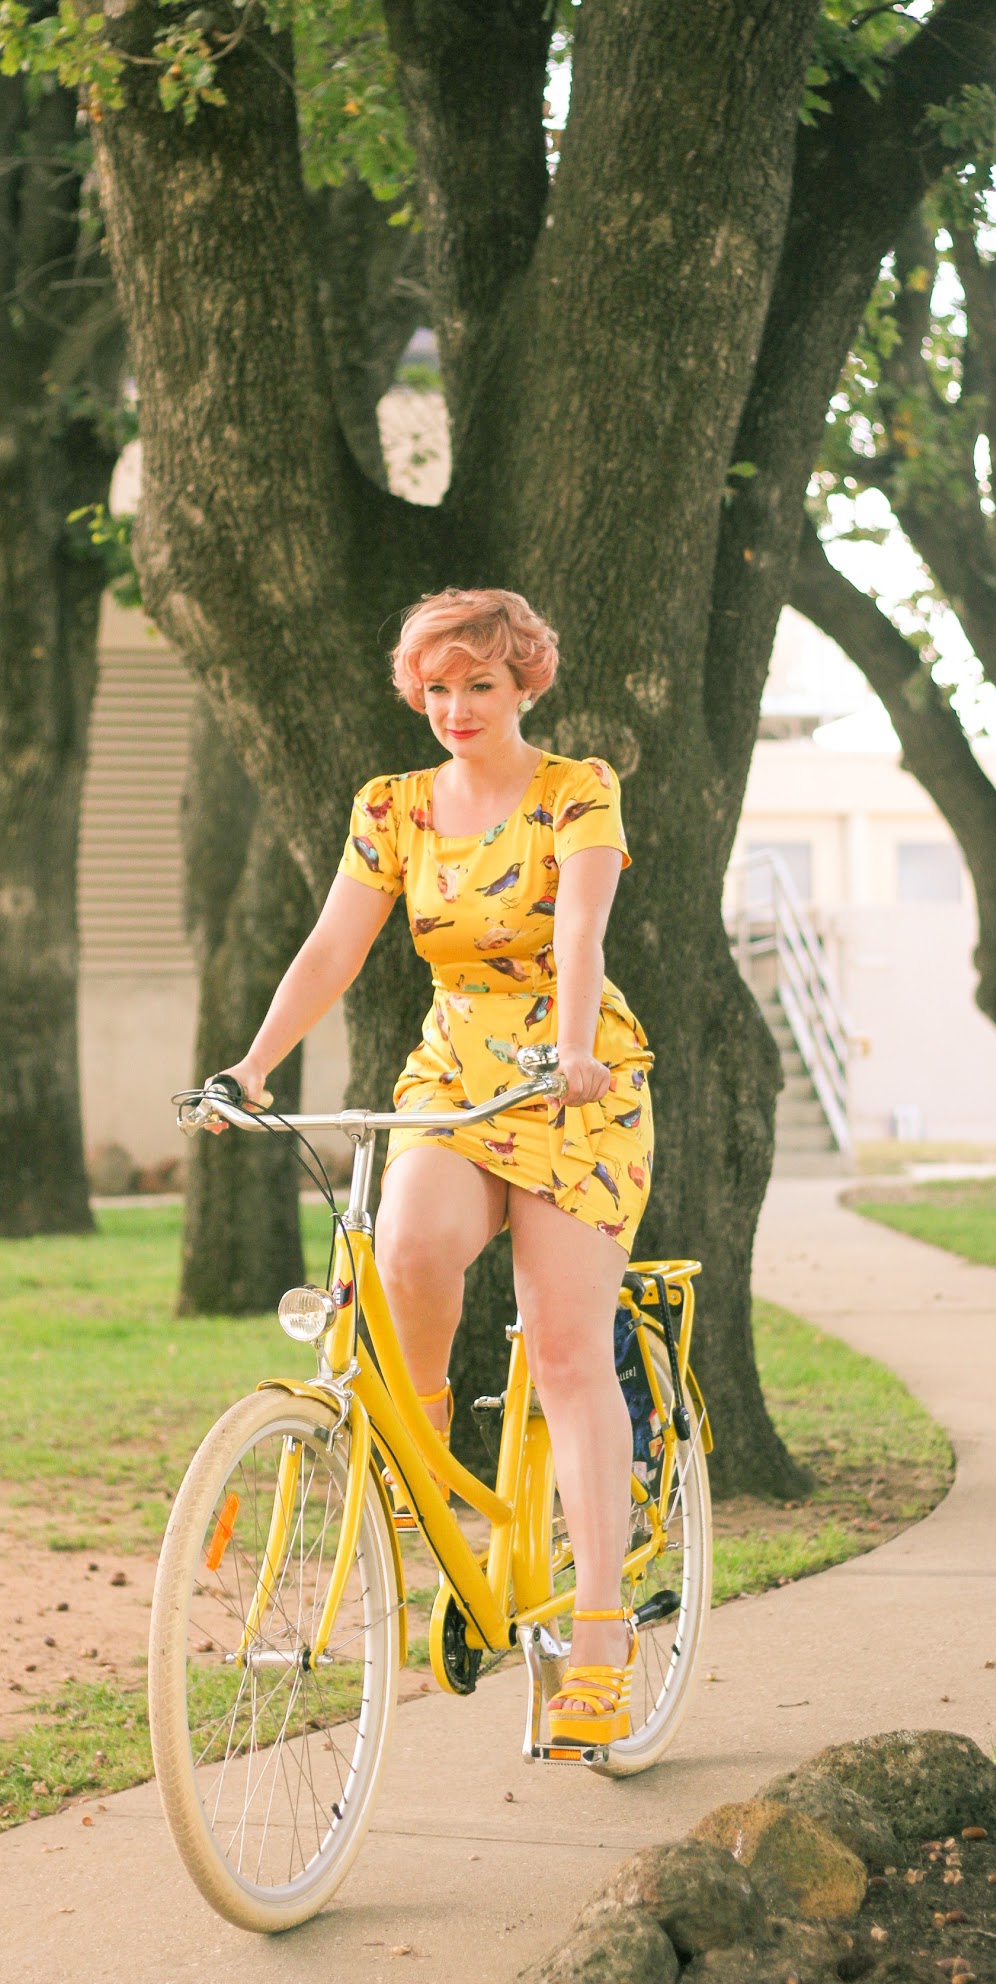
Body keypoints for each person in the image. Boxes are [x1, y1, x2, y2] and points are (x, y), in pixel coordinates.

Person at [215, 586, 656, 1748]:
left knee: (565, 1352)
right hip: (453, 1071)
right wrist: (255, 1066)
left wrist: (568, 1045)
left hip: (575, 1081)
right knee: (405, 1242)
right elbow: (333, 945)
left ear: (524, 688)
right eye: (438, 686)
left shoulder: (577, 788)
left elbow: (581, 934)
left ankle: (602, 1633)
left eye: (481, 684)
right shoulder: (393, 807)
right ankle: (420, 1449)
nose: (456, 707)